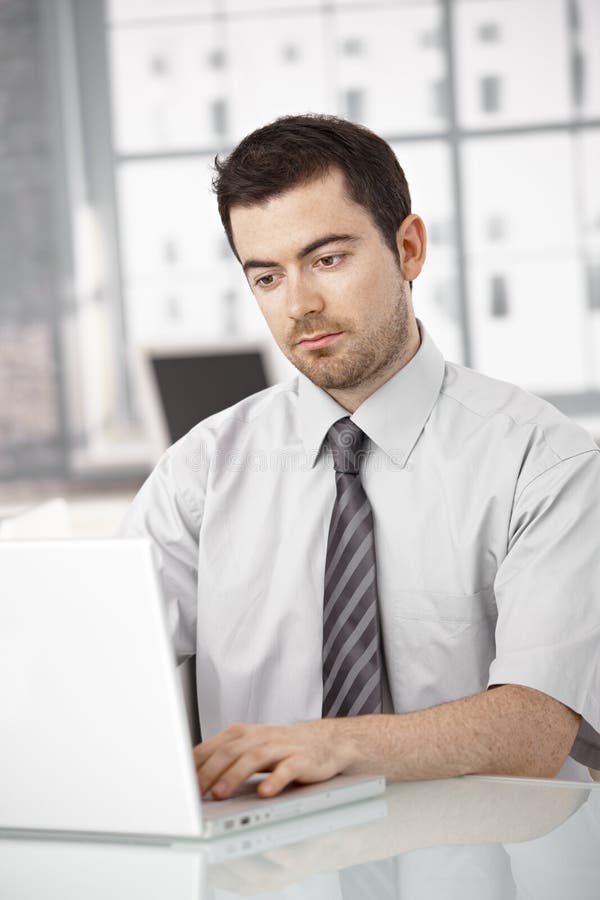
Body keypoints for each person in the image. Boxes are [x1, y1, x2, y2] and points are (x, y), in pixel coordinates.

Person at [119, 114, 600, 799]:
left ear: (408, 249)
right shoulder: (199, 475)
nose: (301, 305)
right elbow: (105, 674)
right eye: (267, 277)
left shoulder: (544, 462)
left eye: (328, 259)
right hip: (270, 874)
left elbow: (532, 730)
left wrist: (328, 744)